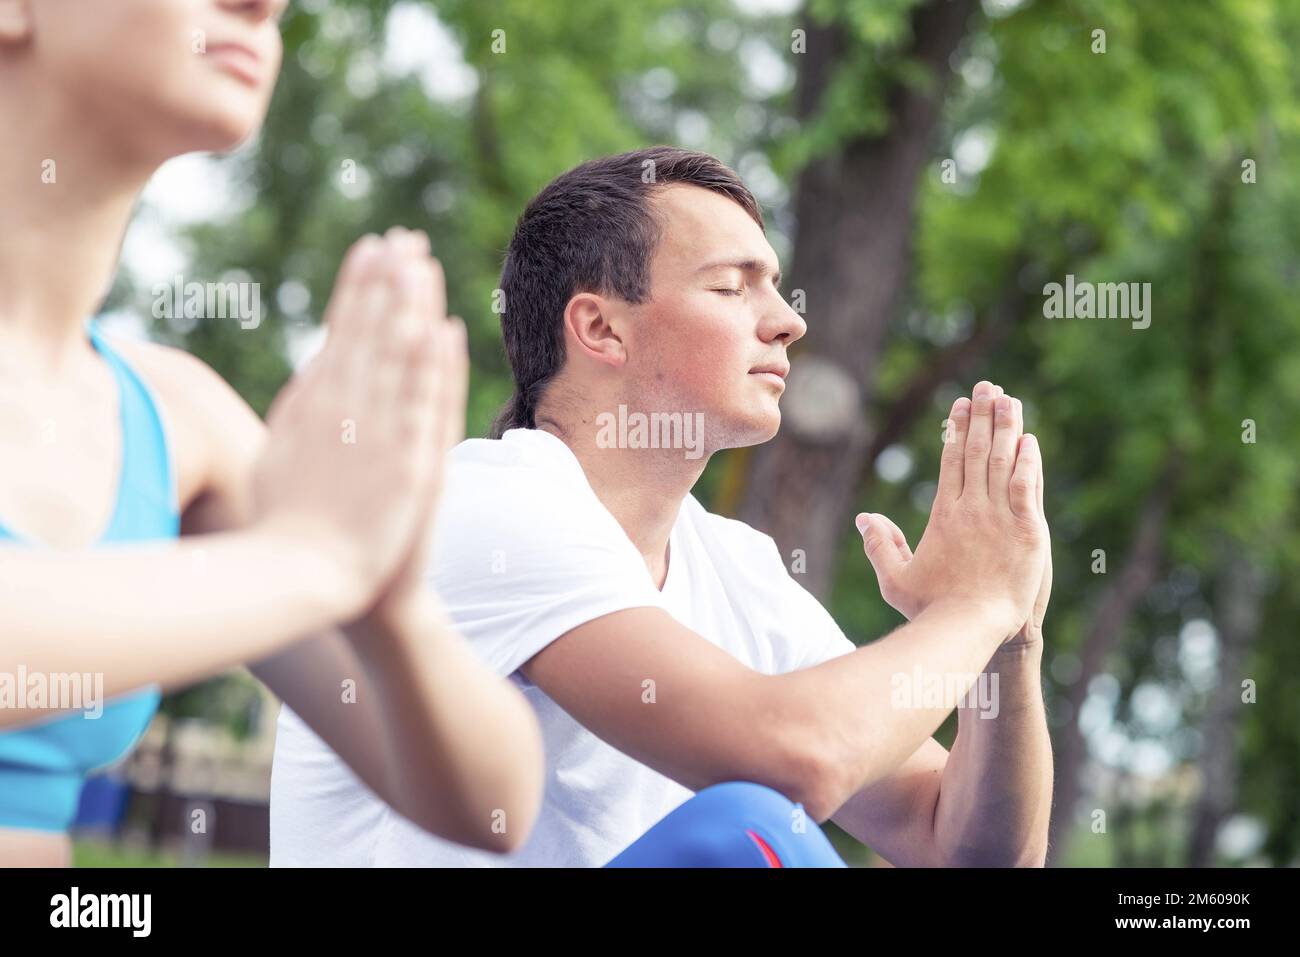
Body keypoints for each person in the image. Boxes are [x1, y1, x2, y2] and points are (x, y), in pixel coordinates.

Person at [270, 146, 1054, 868]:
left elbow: (962, 847)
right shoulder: (494, 507)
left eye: (775, 285)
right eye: (731, 285)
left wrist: (1008, 639)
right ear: (602, 328)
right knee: (747, 834)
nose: (787, 319)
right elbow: (800, 758)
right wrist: (973, 604)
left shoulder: (738, 570)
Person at [0, 0, 543, 866]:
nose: (264, 4)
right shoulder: (294, 538)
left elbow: (494, 807)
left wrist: (389, 599)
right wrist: (314, 559)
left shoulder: (181, 418)